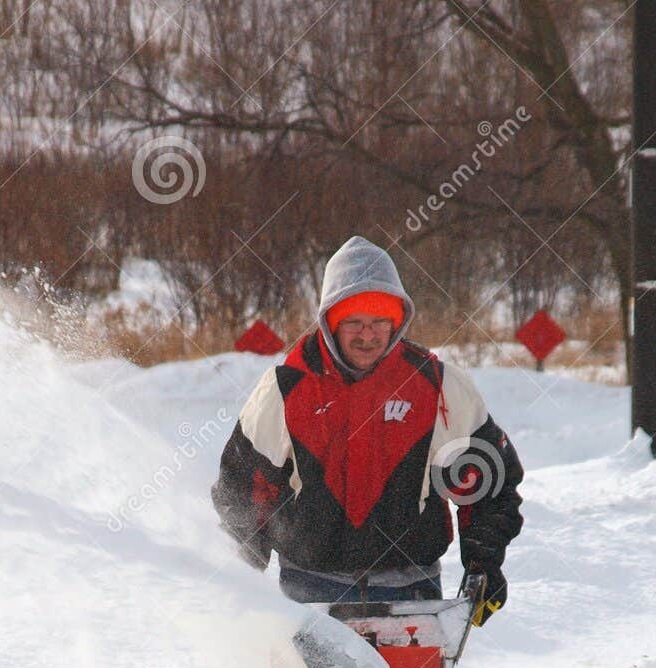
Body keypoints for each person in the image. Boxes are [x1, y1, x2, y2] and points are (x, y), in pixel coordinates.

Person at [211, 235, 523, 624]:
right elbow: (243, 487)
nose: (368, 335)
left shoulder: (436, 386)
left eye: (379, 322)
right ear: (330, 322)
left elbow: (490, 482)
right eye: (354, 322)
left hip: (411, 594)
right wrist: (242, 577)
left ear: (398, 321)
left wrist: (484, 565)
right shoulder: (288, 387)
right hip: (310, 595)